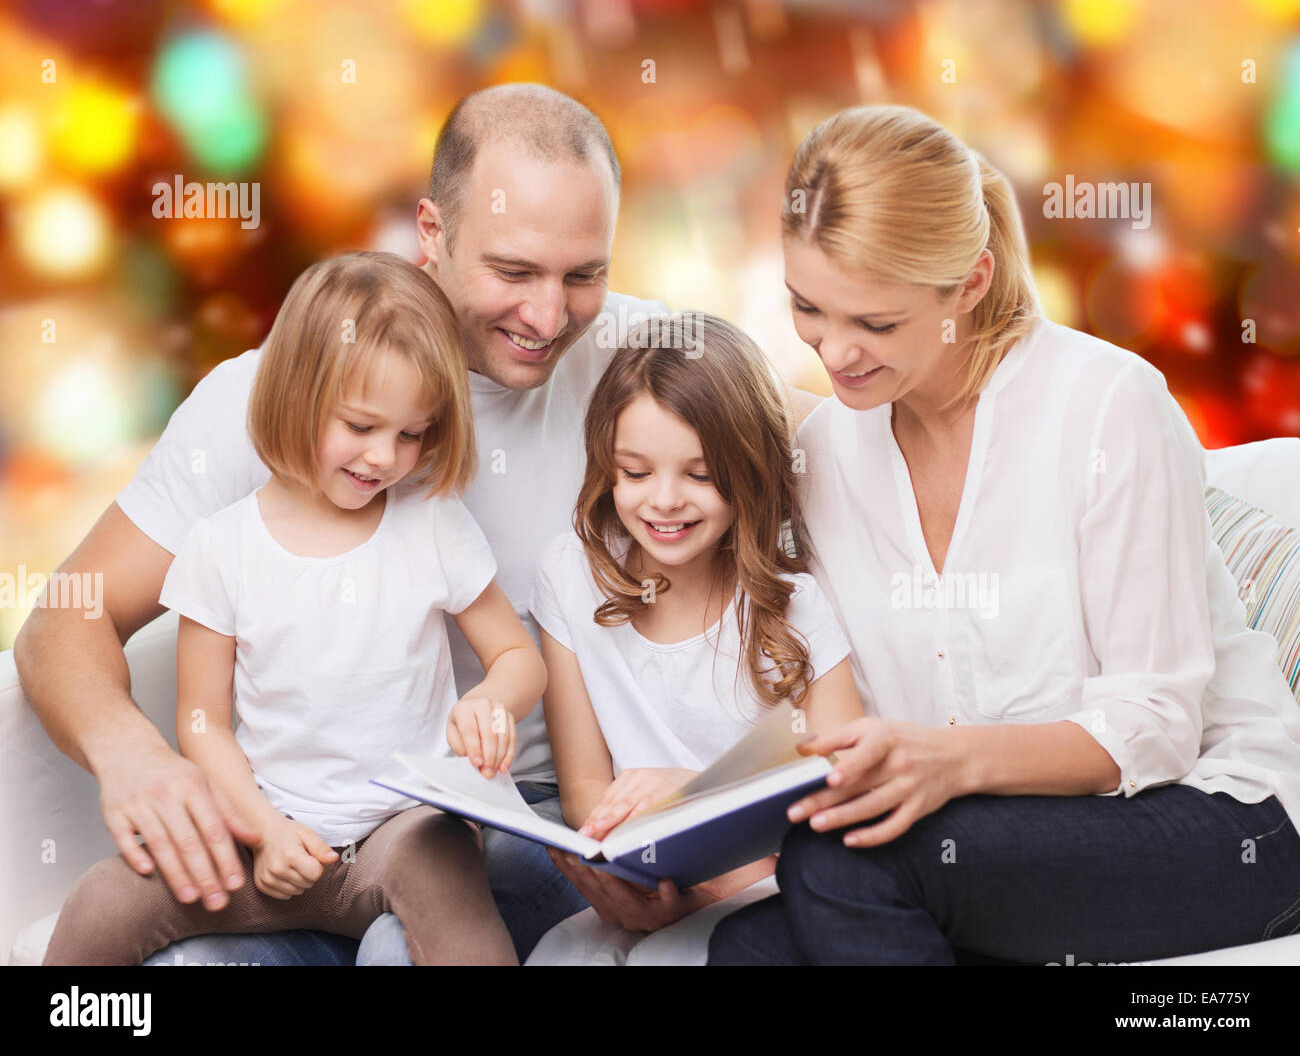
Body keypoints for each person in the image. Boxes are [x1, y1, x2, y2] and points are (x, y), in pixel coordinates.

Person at [18, 83, 740, 964]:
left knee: (407, 937)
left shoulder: (653, 366)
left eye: (584, 275)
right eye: (513, 271)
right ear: (432, 233)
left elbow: (823, 434)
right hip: (289, 823)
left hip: (518, 812)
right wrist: (136, 754)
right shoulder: (276, 399)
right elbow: (65, 616)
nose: (550, 317)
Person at [708, 104, 1300, 965]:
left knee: (841, 866)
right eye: (808, 308)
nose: (835, 353)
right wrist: (685, 820)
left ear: (971, 282)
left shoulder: (1106, 406)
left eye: (876, 323)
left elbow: (1155, 725)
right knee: (748, 952)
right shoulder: (827, 454)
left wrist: (947, 762)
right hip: (1002, 838)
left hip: (1220, 816)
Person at [43, 253, 540, 966]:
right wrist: (264, 829)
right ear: (299, 393)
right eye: (362, 425)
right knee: (105, 901)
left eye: (412, 433)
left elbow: (518, 658)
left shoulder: (433, 522)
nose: (386, 457)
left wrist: (492, 699)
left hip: (403, 830)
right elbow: (203, 723)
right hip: (267, 835)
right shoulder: (222, 546)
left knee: (446, 874)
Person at [529, 313, 862, 957]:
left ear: (749, 471)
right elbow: (585, 793)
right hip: (640, 883)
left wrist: (688, 798)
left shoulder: (796, 607)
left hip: (770, 892)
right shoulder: (569, 574)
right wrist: (633, 875)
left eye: (701, 475)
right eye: (634, 472)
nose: (664, 500)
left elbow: (842, 792)